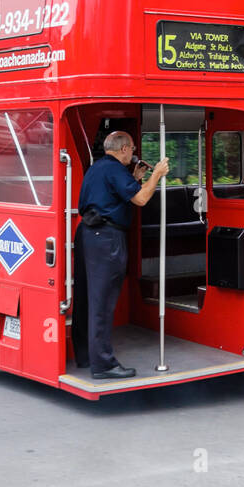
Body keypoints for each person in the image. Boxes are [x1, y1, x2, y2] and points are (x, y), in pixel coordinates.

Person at [74, 131, 169, 379]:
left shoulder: (98, 168)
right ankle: (104, 365)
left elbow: (115, 195)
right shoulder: (115, 169)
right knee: (102, 301)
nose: (133, 152)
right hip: (106, 238)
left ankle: (85, 355)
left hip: (87, 233)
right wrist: (157, 174)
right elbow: (140, 199)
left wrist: (135, 178)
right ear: (125, 149)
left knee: (86, 297)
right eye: (133, 148)